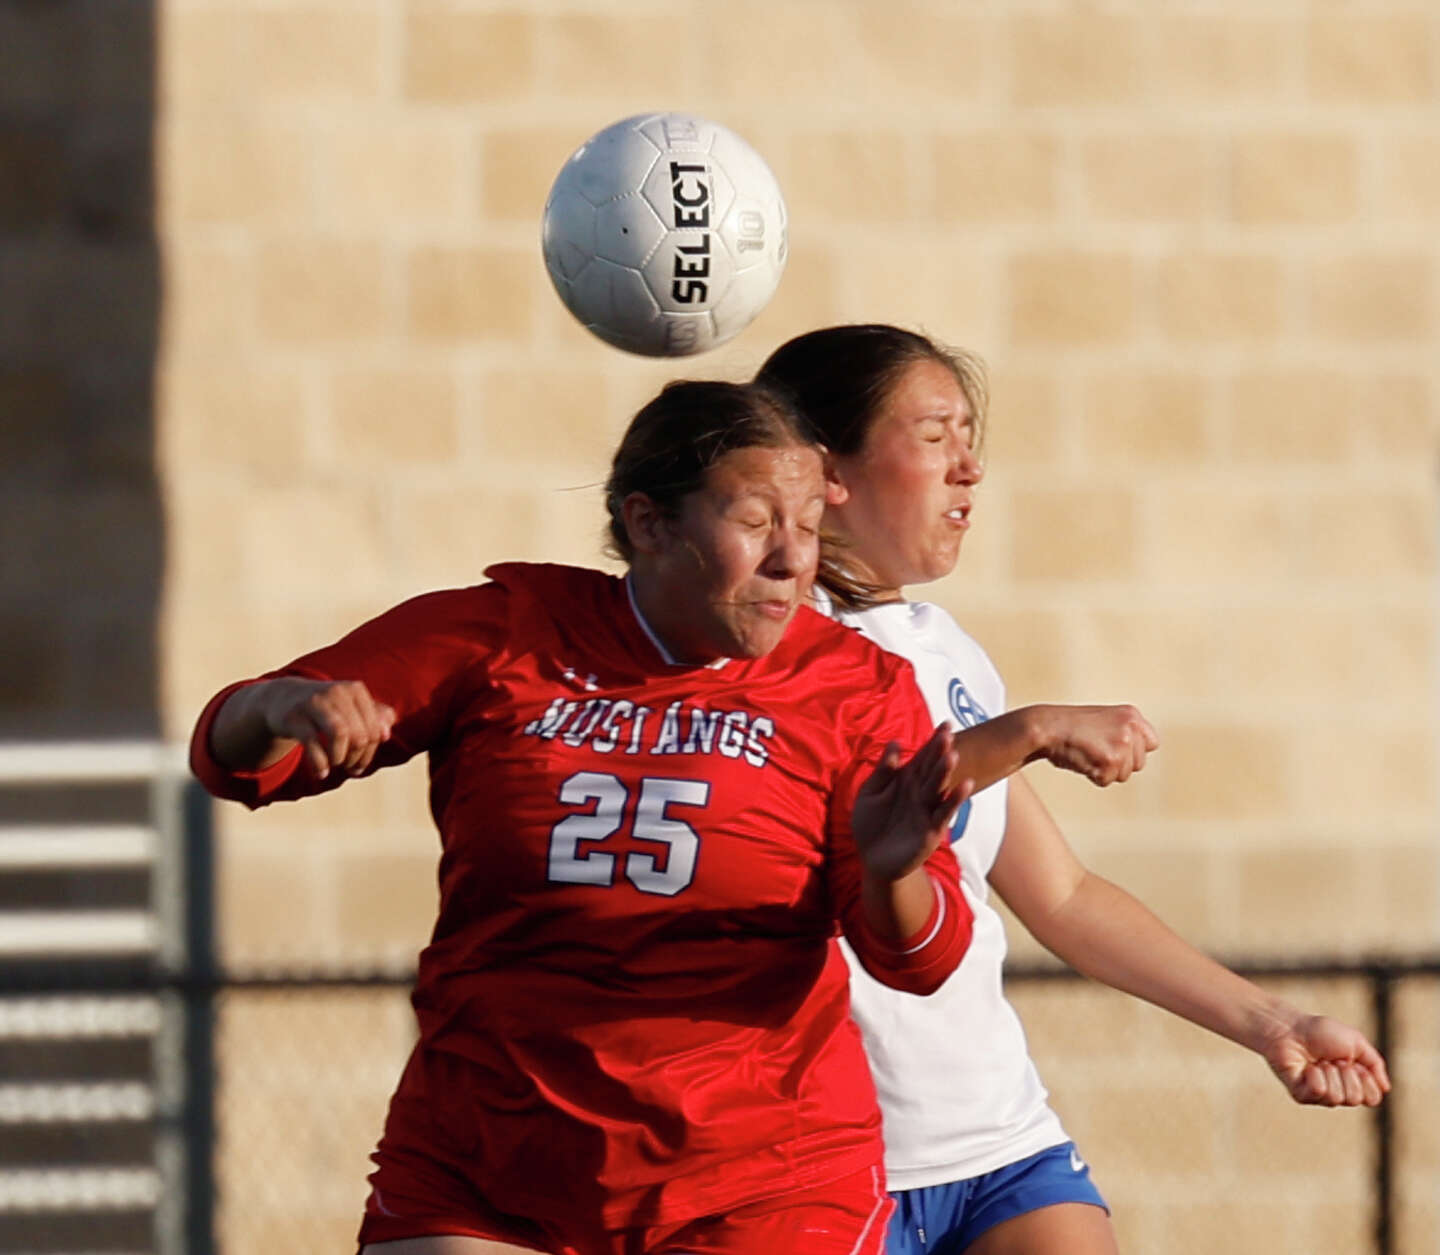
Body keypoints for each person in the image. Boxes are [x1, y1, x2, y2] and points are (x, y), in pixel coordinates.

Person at [189, 378, 981, 1255]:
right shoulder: (508, 633)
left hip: (756, 1184)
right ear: (649, 524)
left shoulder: (855, 689)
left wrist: (891, 868)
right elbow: (233, 755)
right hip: (488, 1162)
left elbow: (919, 962)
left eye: (807, 523)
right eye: (756, 522)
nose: (793, 560)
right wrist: (278, 710)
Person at [757, 325, 1391, 1255]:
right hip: (830, 1162)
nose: (970, 467)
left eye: (971, 435)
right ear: (828, 472)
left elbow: (1063, 893)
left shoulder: (945, 649)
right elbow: (870, 811)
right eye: (935, 436)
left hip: (1000, 1143)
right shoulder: (769, 648)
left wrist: (1274, 1021)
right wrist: (1032, 730)